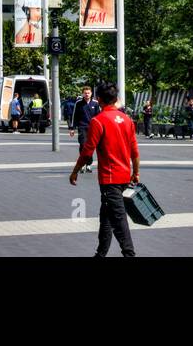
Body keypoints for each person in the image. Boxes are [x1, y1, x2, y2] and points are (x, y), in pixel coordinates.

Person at [69, 82, 140, 257]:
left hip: (110, 179)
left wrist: (75, 170)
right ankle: (100, 254)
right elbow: (135, 151)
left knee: (118, 220)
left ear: (98, 99)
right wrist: (135, 172)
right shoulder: (127, 120)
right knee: (106, 218)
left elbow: (87, 152)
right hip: (124, 177)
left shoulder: (98, 121)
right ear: (116, 99)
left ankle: (129, 254)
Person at [72, 86, 101, 171]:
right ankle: (82, 163)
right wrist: (72, 128)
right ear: (82, 94)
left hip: (93, 128)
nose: (87, 94)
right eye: (85, 93)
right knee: (83, 145)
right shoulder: (78, 103)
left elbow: (99, 116)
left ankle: (89, 164)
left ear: (91, 93)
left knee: (91, 146)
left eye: (88, 93)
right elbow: (75, 116)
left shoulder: (95, 103)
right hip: (82, 127)